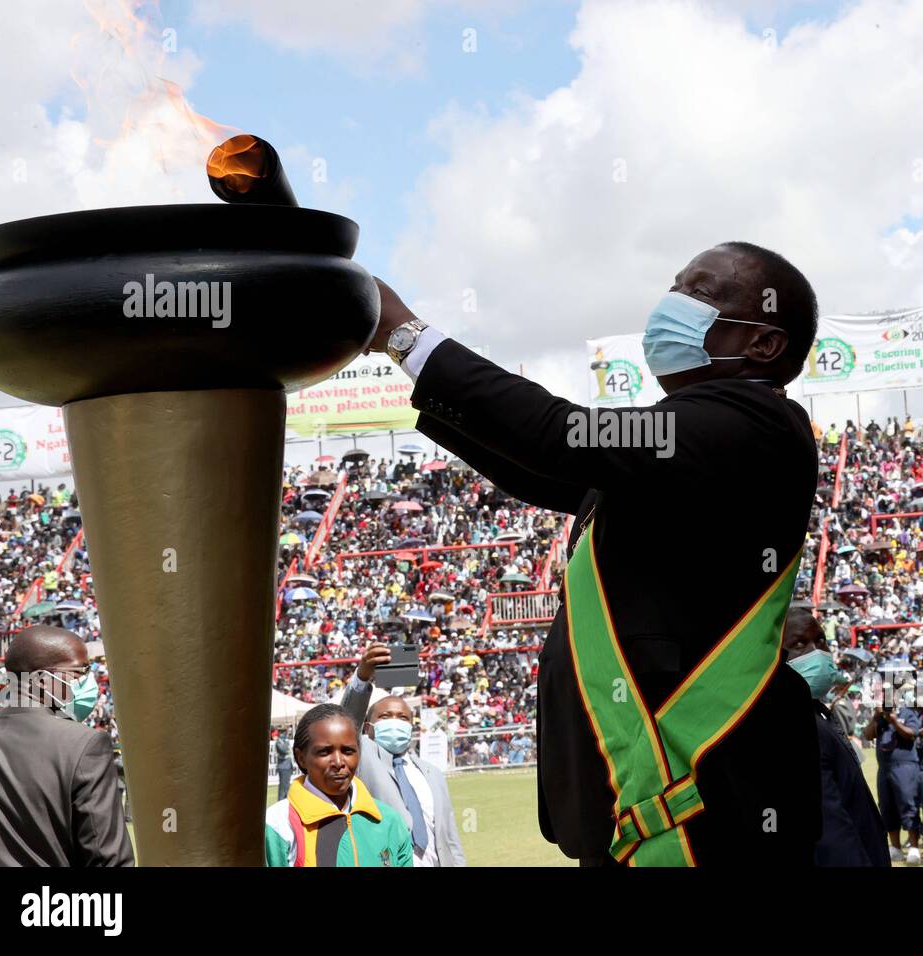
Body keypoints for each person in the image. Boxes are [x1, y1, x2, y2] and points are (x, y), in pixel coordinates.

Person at [370, 242, 822, 866]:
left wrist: (407, 336)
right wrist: (411, 366)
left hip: (702, 800)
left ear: (763, 345)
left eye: (701, 292)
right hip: (643, 792)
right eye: (677, 284)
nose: (672, 304)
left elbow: (563, 436)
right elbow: (547, 472)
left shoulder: (752, 422)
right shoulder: (683, 445)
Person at [0, 625, 132, 866]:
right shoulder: (85, 745)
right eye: (80, 673)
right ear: (43, 681)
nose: (89, 683)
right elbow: (108, 859)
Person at [341, 642, 467, 866]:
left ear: (412, 726)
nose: (395, 722)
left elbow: (450, 838)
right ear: (368, 727)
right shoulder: (364, 757)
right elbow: (346, 723)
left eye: (403, 718)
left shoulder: (433, 774)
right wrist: (362, 677)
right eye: (385, 716)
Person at [784, 608, 888, 866]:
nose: (817, 652)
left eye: (820, 641)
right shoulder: (794, 726)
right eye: (799, 644)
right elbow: (831, 834)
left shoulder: (814, 713)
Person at [264, 703, 413, 867]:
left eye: (348, 751)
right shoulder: (277, 825)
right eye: (324, 752)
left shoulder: (389, 821)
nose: (338, 762)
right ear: (301, 758)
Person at [863, 680, 923, 863]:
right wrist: (876, 717)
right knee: (887, 807)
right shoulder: (879, 717)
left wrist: (895, 721)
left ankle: (914, 847)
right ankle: (895, 847)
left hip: (905, 765)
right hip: (885, 767)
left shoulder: (907, 712)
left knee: (908, 804)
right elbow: (867, 735)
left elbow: (912, 734)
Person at [275, 728, 294, 802]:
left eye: (284, 732)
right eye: (283, 732)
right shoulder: (279, 742)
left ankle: (286, 801)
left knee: (287, 787)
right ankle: (280, 802)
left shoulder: (285, 741)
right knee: (283, 787)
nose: (284, 733)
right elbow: (283, 750)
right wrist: (286, 744)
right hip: (283, 766)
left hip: (288, 766)